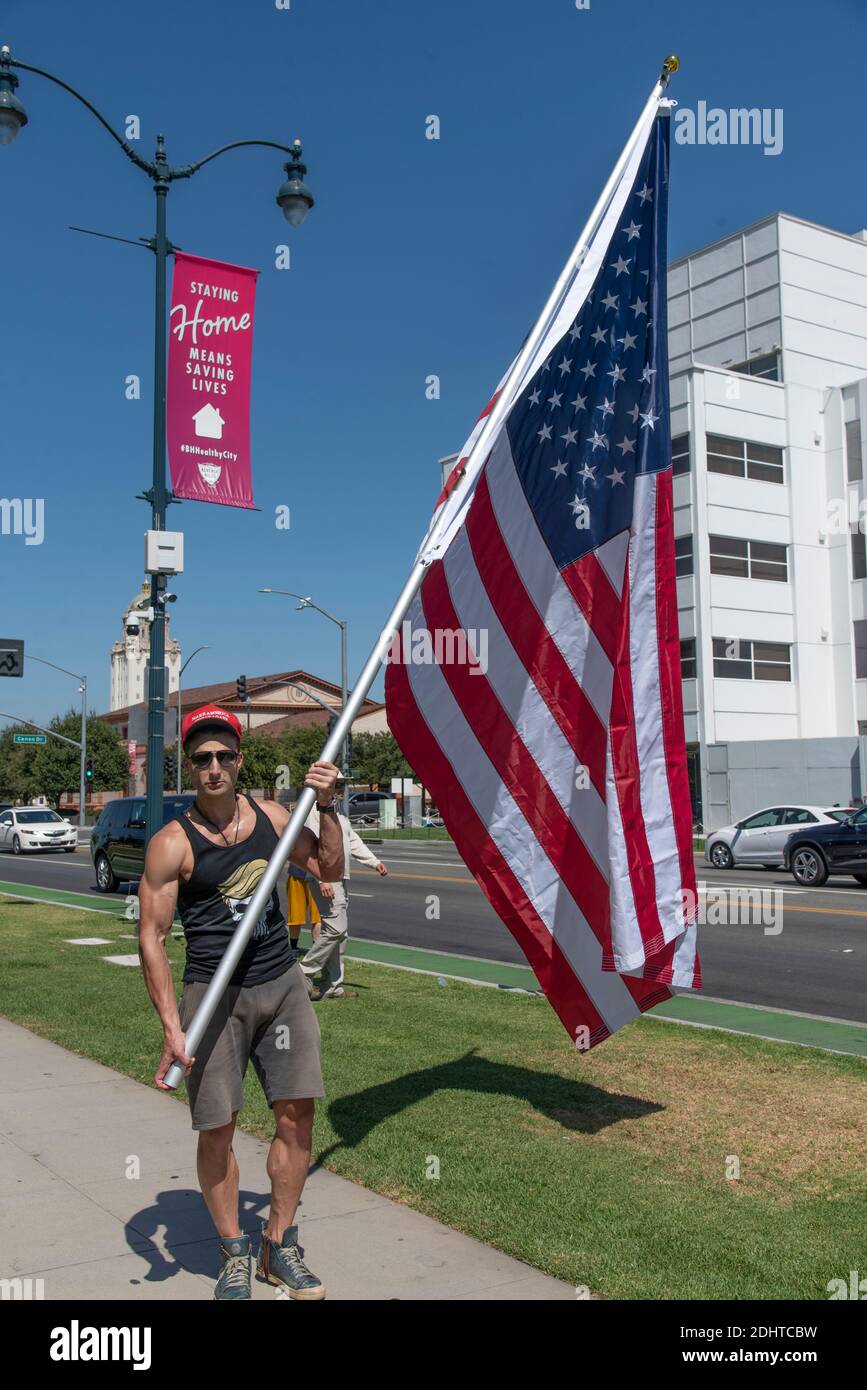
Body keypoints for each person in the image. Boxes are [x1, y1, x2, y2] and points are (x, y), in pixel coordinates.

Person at [138, 704, 344, 1302]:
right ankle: (233, 1252)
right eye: (201, 758)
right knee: (217, 1129)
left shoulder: (276, 819)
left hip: (280, 985)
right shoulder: (172, 844)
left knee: (296, 1115)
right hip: (213, 996)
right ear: (190, 766)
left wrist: (326, 807)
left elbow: (327, 866)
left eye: (224, 755)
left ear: (239, 759)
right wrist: (172, 1027)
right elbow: (151, 936)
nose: (214, 767)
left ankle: (278, 1245)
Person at [293, 774, 388, 1000]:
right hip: (326, 879)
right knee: (335, 929)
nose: (343, 788)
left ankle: (332, 986)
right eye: (338, 784)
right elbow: (311, 850)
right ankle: (300, 973)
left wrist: (374, 862)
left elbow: (352, 840)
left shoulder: (337, 812)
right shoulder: (314, 813)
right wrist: (322, 879)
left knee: (340, 933)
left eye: (343, 784)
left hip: (339, 878)